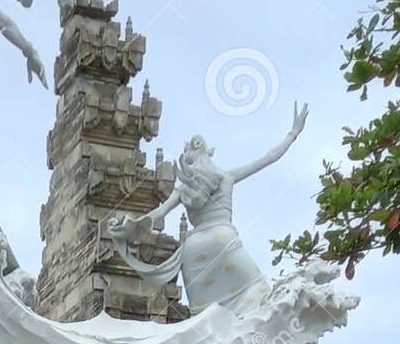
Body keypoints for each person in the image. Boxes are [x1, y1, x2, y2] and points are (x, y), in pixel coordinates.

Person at [108, 103, 308, 312]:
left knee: (202, 320)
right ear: (208, 155)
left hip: (193, 251)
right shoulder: (226, 177)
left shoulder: (183, 187)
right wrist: (292, 133)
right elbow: (267, 159)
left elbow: (159, 213)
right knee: (258, 296)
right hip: (222, 240)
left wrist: (129, 227)